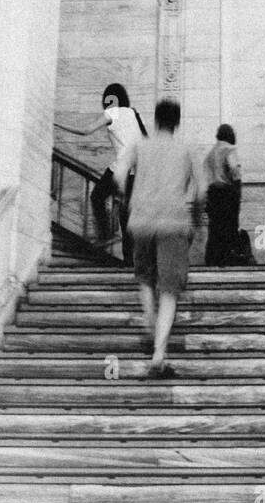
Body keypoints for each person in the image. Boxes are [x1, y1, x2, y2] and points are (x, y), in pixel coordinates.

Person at [117, 98, 201, 380]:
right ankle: (159, 353)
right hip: (173, 222)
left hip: (141, 220)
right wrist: (196, 218)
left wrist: (129, 201)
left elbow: (118, 177)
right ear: (177, 122)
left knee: (144, 278)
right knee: (168, 289)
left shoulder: (140, 145)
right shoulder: (186, 148)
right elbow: (200, 193)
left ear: (155, 120)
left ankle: (150, 329)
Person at [55, 84, 146, 262]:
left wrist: (57, 122)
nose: (106, 104)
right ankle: (129, 259)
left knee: (97, 196)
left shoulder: (113, 112)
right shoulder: (133, 113)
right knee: (125, 213)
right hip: (137, 169)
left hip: (122, 166)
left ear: (113, 99)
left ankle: (106, 234)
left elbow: (86, 130)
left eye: (107, 100)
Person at [203, 123, 242, 266]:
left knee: (214, 230)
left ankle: (212, 260)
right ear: (230, 135)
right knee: (229, 228)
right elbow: (234, 171)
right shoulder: (229, 150)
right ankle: (227, 260)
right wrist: (237, 192)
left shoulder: (211, 153)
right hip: (227, 193)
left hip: (213, 194)